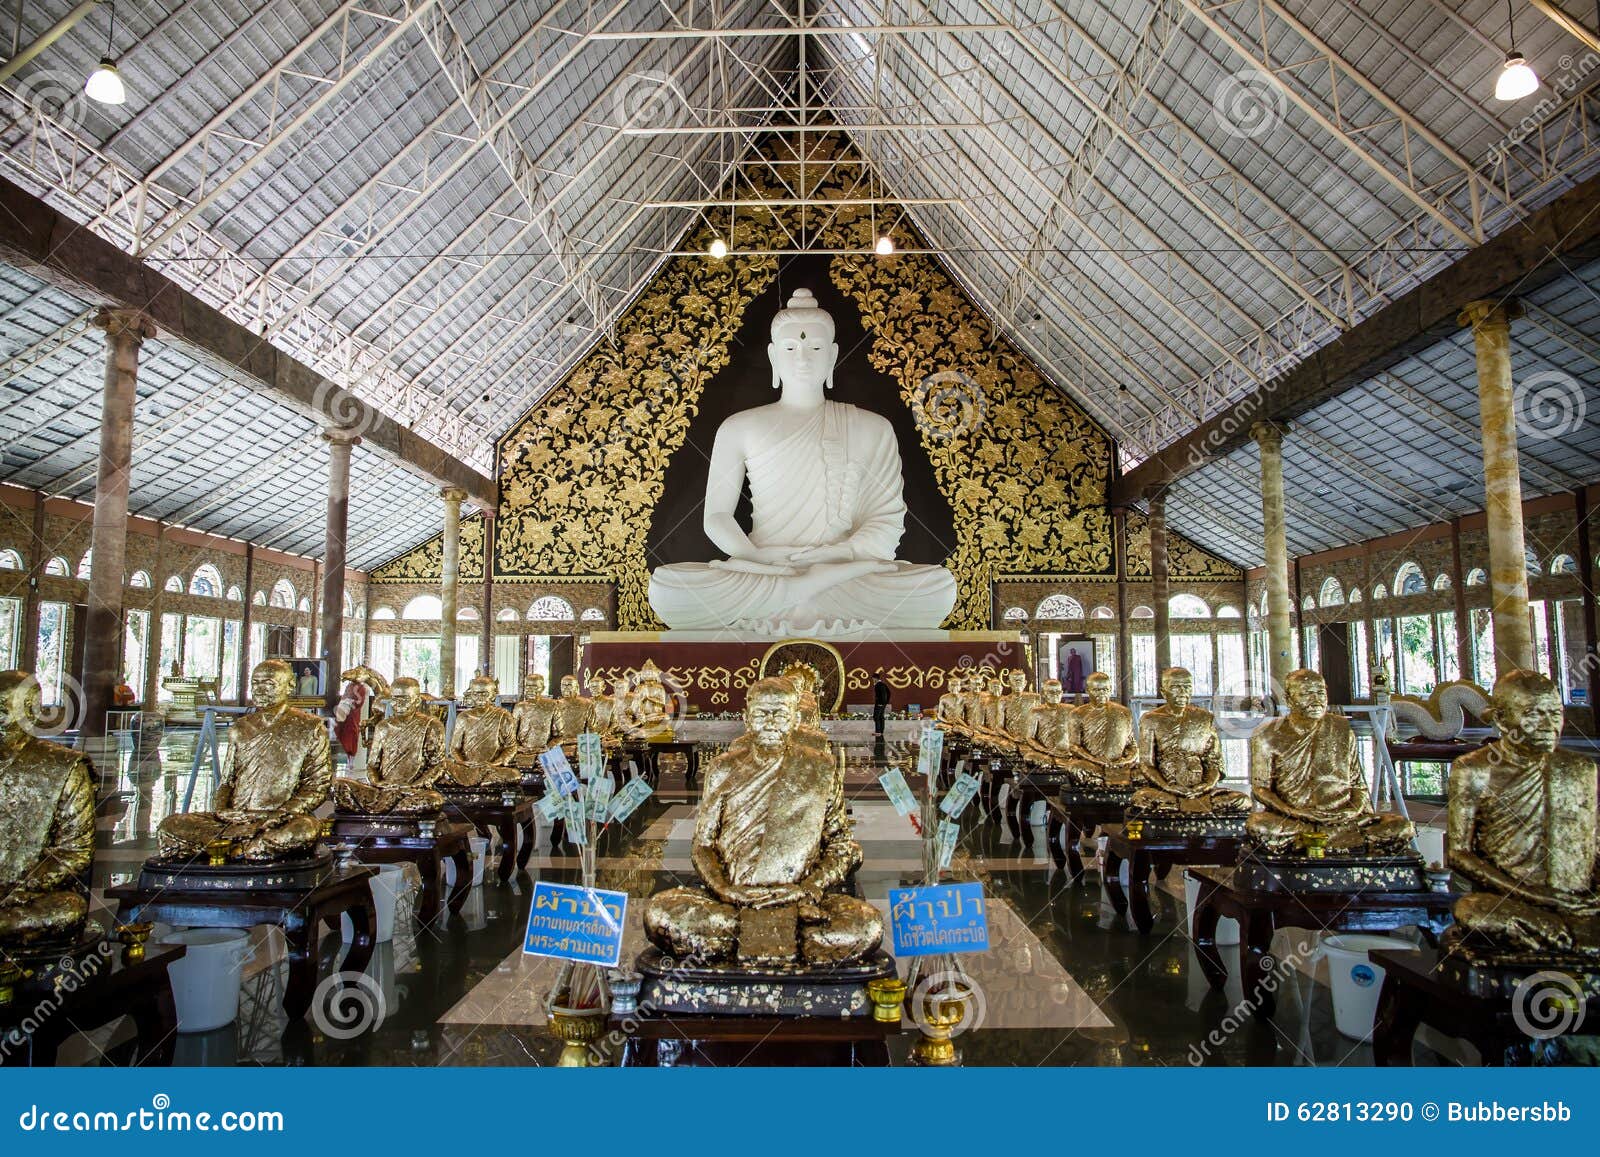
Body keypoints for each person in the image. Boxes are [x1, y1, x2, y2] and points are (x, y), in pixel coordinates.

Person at [872, 670, 891, 739]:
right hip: (882, 704)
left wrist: (881, 703)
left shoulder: (879, 685)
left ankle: (878, 732)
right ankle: (881, 731)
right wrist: (885, 703)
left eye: (873, 679)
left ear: (875, 678)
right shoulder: (883, 684)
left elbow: (884, 694)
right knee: (881, 717)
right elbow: (889, 693)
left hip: (879, 704)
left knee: (876, 717)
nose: (873, 680)